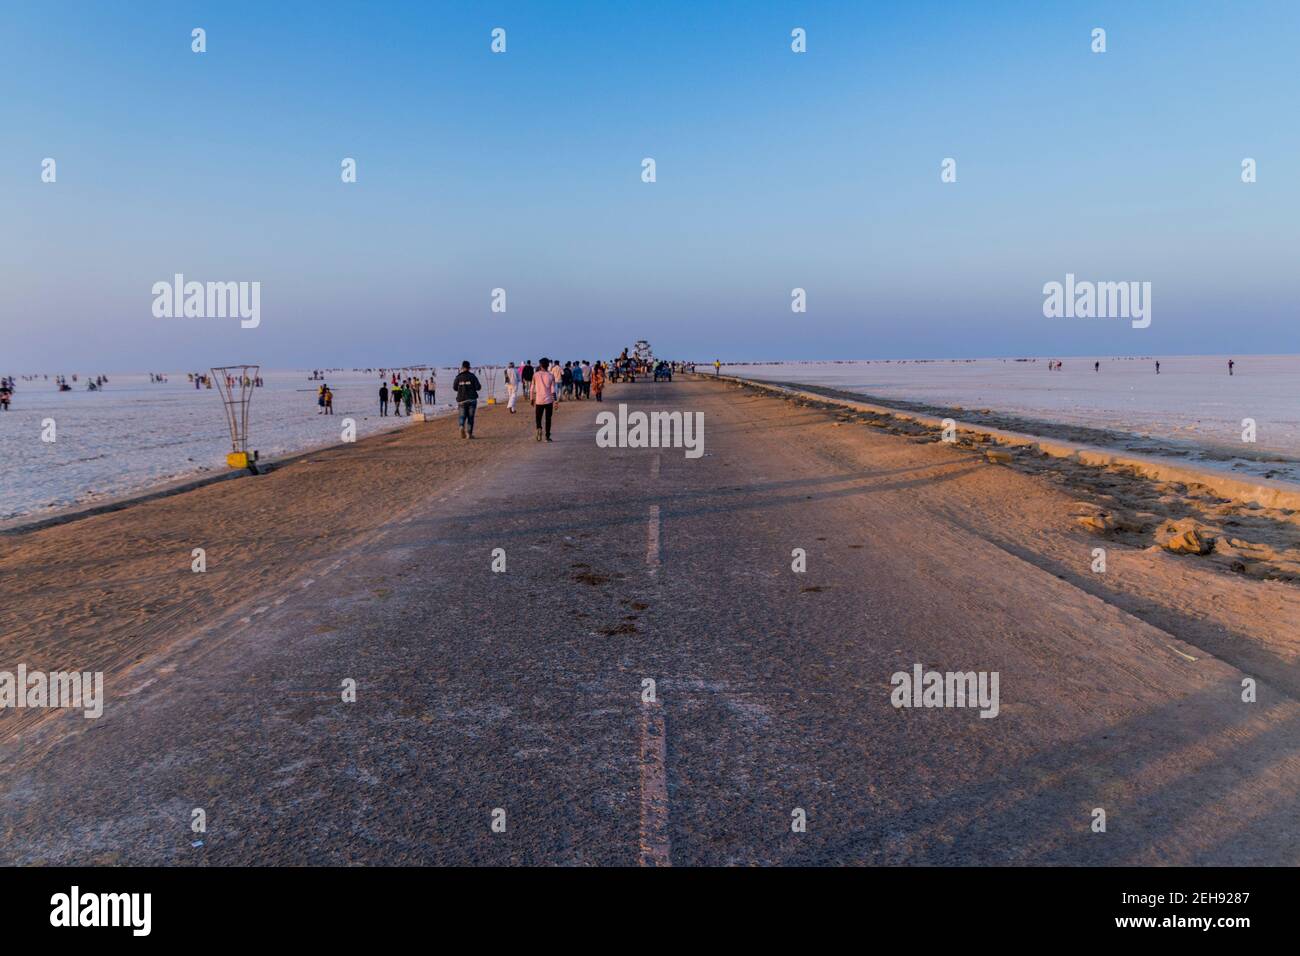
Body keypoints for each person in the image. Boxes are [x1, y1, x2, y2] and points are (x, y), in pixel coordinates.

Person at [453, 360, 481, 438]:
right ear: (469, 368)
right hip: (472, 399)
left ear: (462, 368)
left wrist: (461, 387)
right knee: (470, 417)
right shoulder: (472, 376)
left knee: (462, 416)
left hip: (461, 399)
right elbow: (478, 387)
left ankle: (461, 426)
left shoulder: (458, 377)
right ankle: (469, 433)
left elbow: (454, 388)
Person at [531, 357, 557, 441]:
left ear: (540, 365)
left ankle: (539, 428)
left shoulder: (535, 375)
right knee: (548, 419)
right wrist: (555, 401)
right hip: (549, 400)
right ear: (548, 365)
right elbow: (553, 389)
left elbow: (531, 388)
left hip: (539, 400)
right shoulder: (551, 375)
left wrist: (532, 399)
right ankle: (547, 436)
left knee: (538, 418)